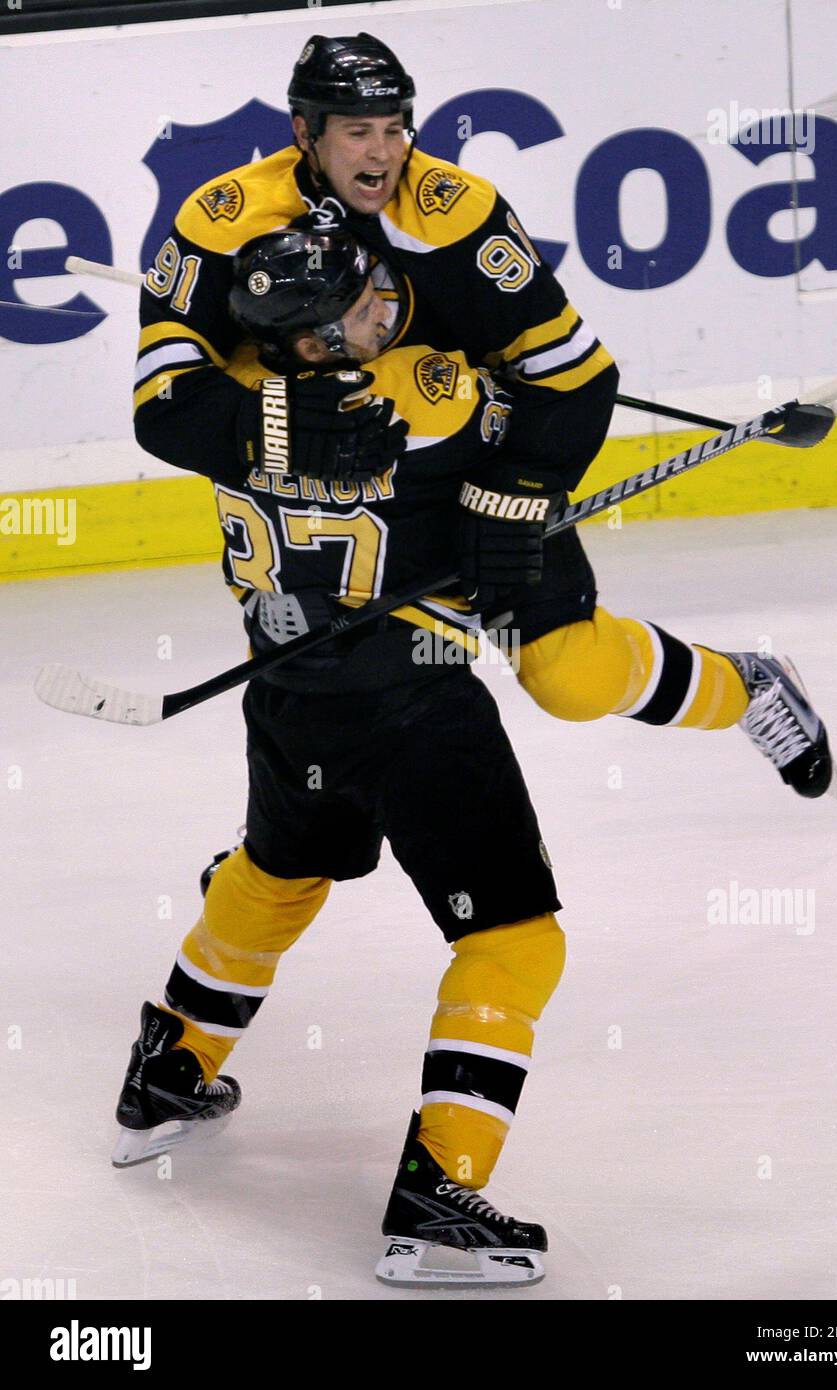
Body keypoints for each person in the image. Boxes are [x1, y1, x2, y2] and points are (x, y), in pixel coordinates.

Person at [133, 30, 837, 813]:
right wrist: (279, 421)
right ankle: (273, 852)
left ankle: (746, 686)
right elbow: (162, 406)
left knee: (570, 681)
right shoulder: (223, 218)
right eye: (358, 131)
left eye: (395, 127)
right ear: (305, 131)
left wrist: (514, 491)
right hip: (325, 501)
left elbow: (575, 380)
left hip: (463, 465)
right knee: (324, 700)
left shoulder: (456, 213)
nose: (383, 153)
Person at [117, 224, 566, 1288]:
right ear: (318, 340)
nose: (389, 301)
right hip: (413, 703)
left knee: (274, 880)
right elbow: (524, 434)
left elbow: (176, 404)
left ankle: (171, 1069)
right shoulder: (426, 401)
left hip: (290, 694)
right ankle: (437, 1201)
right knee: (515, 942)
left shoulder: (233, 410)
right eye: (368, 296)